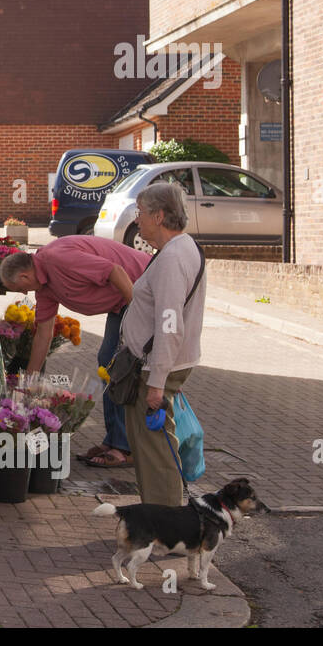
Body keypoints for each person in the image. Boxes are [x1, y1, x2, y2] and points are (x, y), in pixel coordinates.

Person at [0, 236, 150, 468]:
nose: (24, 293)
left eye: (19, 289)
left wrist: (138, 314)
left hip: (141, 288)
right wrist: (27, 383)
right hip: (121, 302)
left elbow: (115, 271)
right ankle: (115, 441)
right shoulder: (44, 288)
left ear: (24, 276)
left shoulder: (59, 259)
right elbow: (43, 335)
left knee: (117, 365)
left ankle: (125, 447)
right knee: (109, 364)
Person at [119, 182, 206, 507]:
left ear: (158, 215)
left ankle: (165, 524)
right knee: (151, 446)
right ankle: (161, 517)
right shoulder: (182, 248)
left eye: (140, 212)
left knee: (155, 451)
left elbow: (170, 324)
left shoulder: (172, 259)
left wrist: (157, 382)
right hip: (160, 363)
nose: (137, 219)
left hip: (153, 368)